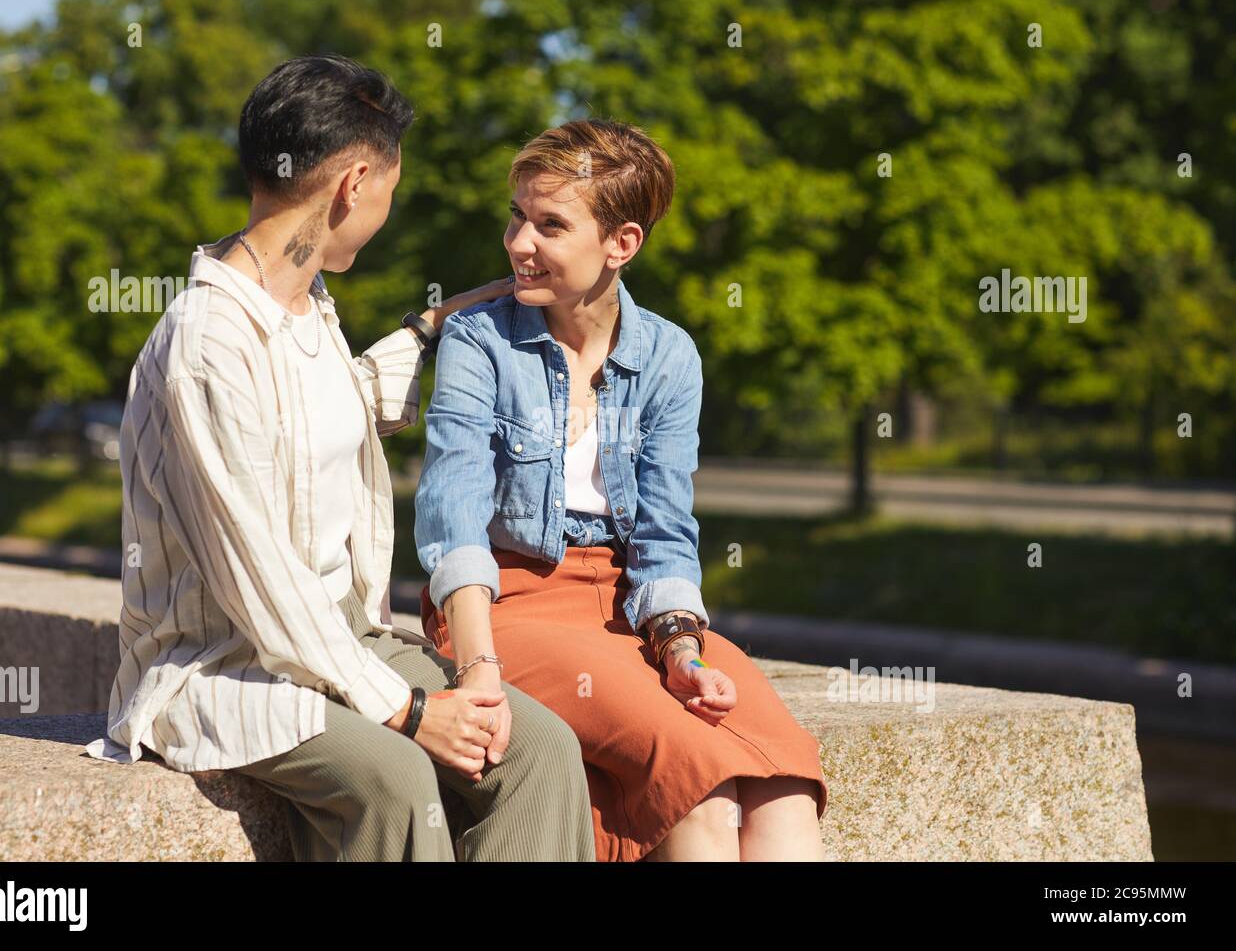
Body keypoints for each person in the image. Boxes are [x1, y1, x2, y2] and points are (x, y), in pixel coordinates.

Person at [83, 55, 595, 862]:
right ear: (354, 184)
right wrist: (410, 711)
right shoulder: (207, 340)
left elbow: (334, 407)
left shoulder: (303, 302)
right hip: (226, 665)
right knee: (396, 778)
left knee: (540, 752)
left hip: (343, 641)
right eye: (388, 194)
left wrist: (434, 329)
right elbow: (256, 576)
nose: (383, 213)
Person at [414, 118, 830, 861]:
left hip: (626, 611)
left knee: (784, 782)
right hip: (507, 606)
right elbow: (454, 519)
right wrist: (478, 670)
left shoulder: (669, 356)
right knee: (701, 785)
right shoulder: (480, 341)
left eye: (549, 224)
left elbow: (666, 533)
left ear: (622, 244)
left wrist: (681, 648)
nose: (518, 243)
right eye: (516, 216)